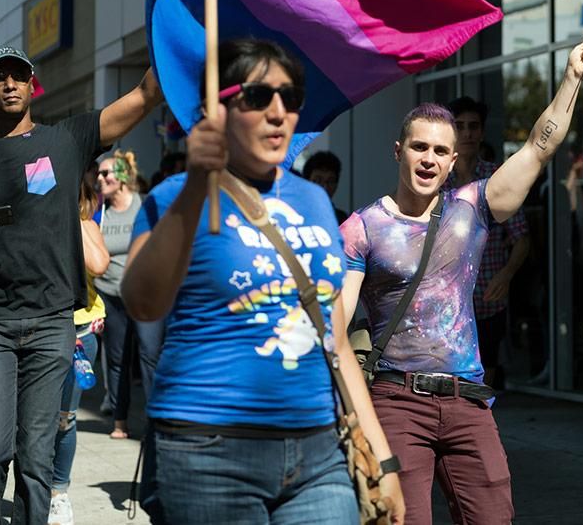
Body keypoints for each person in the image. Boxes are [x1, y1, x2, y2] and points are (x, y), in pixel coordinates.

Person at [121, 39, 403, 524]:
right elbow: (143, 303)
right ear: (217, 109)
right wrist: (195, 186)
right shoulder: (173, 196)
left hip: (319, 455)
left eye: (290, 98)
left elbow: (334, 339)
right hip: (206, 452)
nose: (278, 112)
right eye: (257, 96)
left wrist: (383, 458)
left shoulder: (314, 200)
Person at [340, 35, 583, 524]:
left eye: (441, 151)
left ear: (453, 160)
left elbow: (537, 149)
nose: (429, 159)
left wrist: (571, 78)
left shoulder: (472, 208)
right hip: (397, 399)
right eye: (419, 147)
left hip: (468, 399)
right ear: (399, 151)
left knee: (493, 517)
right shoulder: (363, 227)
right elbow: (336, 323)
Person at [0, 44, 162, 525]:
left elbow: (145, 95)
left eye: (19, 75)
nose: (10, 83)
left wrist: (183, 31)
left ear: (32, 85)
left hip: (53, 321)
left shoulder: (68, 139)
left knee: (36, 460)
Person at [442, 96, 530, 389]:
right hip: (444, 299)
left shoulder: (496, 178)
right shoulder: (436, 177)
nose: (467, 133)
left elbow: (522, 237)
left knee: (484, 373)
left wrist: (506, 274)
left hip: (487, 299)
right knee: (446, 373)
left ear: (481, 132)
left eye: (473, 126)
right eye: (460, 126)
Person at [48, 178, 110, 525]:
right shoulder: (39, 221)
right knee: (31, 420)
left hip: (79, 335)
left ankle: (59, 493)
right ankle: (34, 488)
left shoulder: (86, 225)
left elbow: (99, 265)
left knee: (65, 420)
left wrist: (76, 219)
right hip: (41, 331)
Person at [94, 149, 162, 440]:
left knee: (149, 354)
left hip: (145, 292)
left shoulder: (145, 206)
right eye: (98, 174)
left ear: (122, 177)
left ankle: (156, 419)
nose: (100, 178)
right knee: (118, 359)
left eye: (106, 173)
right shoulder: (99, 214)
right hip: (110, 295)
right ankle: (120, 420)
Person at [302, 150, 348, 224]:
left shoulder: (342, 219)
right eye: (318, 181)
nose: (325, 187)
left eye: (330, 181)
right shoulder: (294, 215)